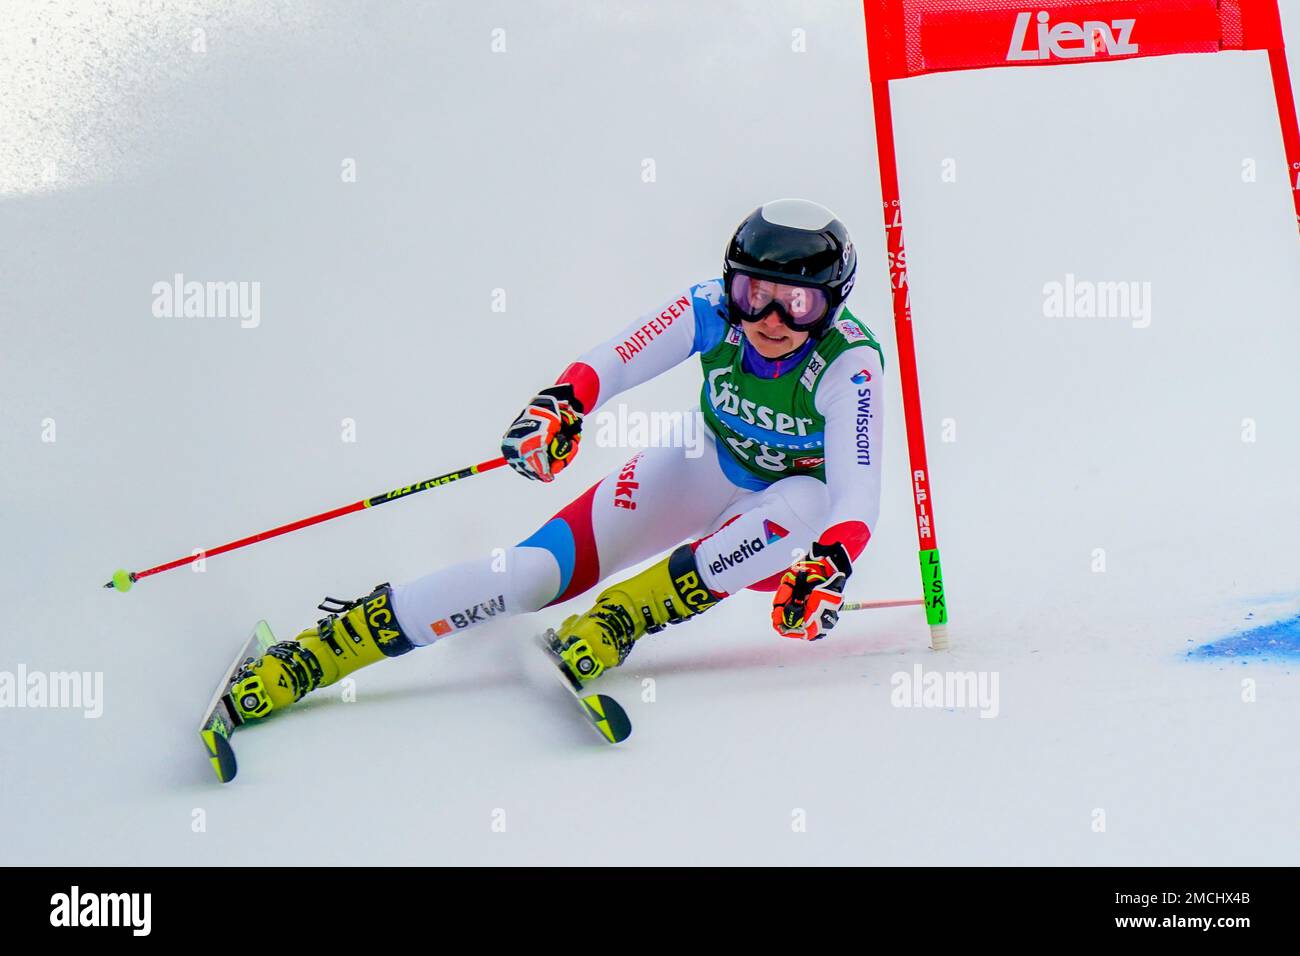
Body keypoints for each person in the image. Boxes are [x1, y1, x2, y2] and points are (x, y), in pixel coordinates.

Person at [225, 198, 885, 721]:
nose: (770, 318)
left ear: (833, 304)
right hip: (702, 464)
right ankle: (322, 650)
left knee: (809, 503)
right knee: (534, 573)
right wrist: (561, 405)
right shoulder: (709, 311)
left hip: (788, 519)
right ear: (730, 287)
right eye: (753, 293)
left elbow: (857, 491)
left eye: (797, 302)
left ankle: (616, 620)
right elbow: (620, 358)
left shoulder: (848, 365)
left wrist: (830, 565)